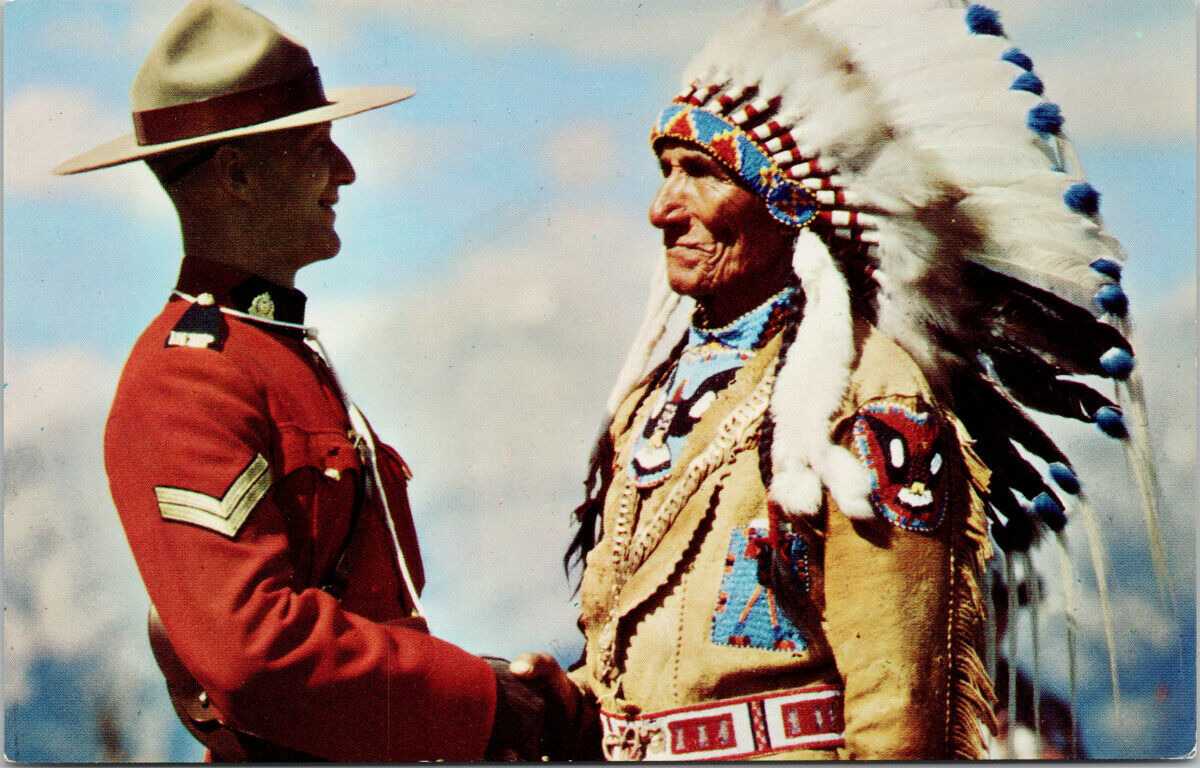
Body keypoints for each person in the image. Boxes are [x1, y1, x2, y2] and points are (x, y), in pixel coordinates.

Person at [515, 0, 1147, 760]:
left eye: (699, 175)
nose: (661, 210)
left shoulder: (874, 405)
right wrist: (567, 702)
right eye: (663, 174)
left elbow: (899, 709)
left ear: (789, 206)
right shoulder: (654, 405)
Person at [55, 0, 568, 760]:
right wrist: (486, 702)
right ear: (236, 172)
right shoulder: (188, 380)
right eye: (319, 146)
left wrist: (487, 689)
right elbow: (252, 652)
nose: (348, 172)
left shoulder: (272, 355)